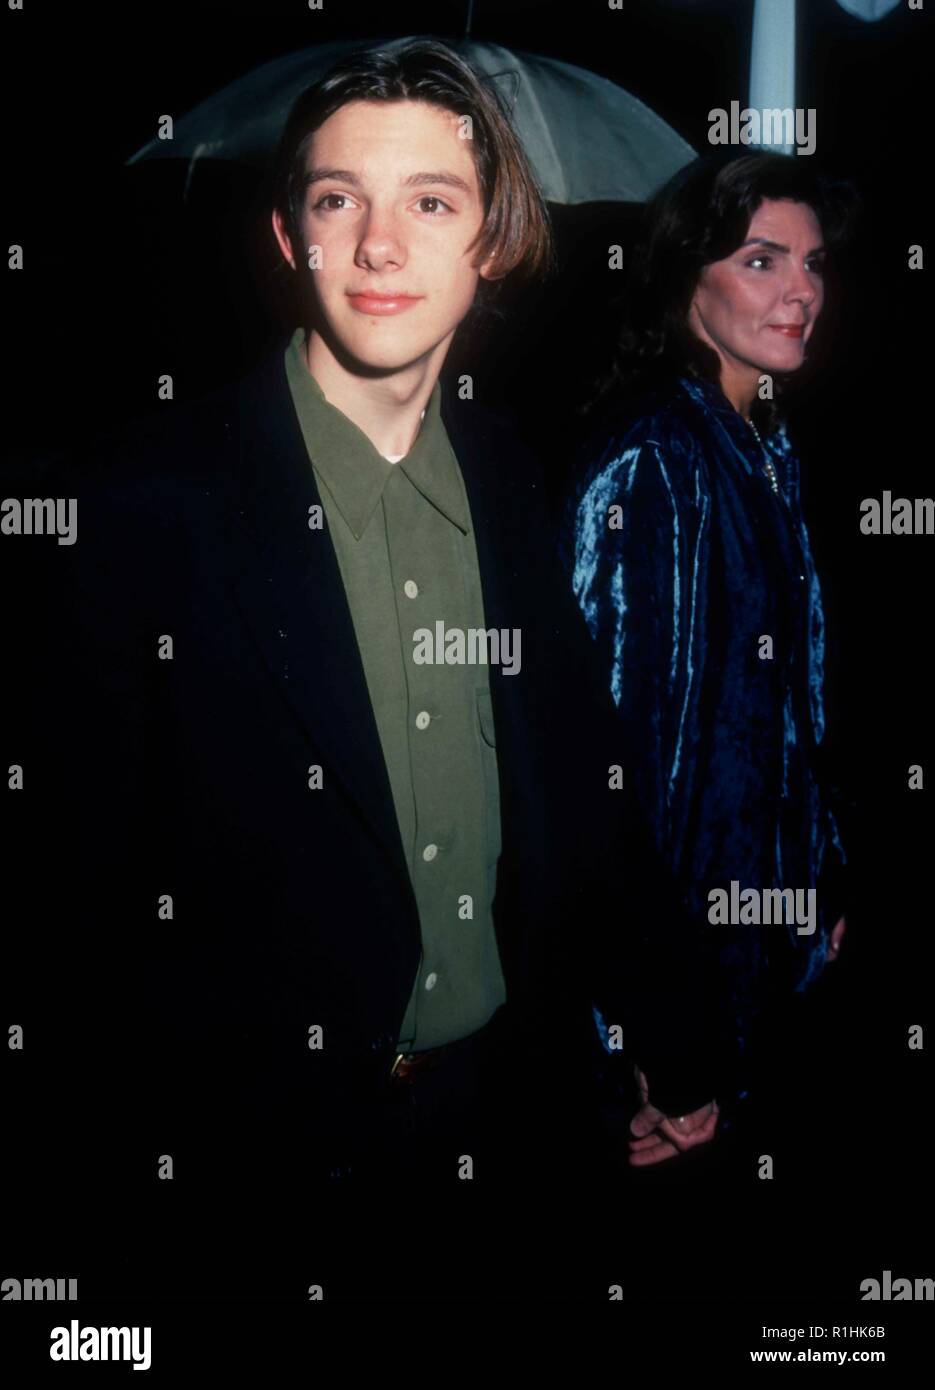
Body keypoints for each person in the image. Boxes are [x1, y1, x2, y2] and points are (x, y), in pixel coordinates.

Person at [23, 40, 722, 1274]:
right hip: (252, 1174)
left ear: (495, 242)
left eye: (431, 202)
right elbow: (67, 900)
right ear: (289, 238)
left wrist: (668, 1024)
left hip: (510, 1131)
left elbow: (575, 777)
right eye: (337, 199)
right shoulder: (140, 503)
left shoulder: (511, 474)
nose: (380, 247)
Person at [567, 151, 855, 1162]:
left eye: (812, 264)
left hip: (751, 959)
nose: (801, 292)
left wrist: (810, 883)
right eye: (761, 260)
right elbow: (614, 769)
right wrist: (655, 1037)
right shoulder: (656, 458)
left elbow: (778, 716)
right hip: (669, 1003)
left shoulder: (757, 445)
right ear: (686, 274)